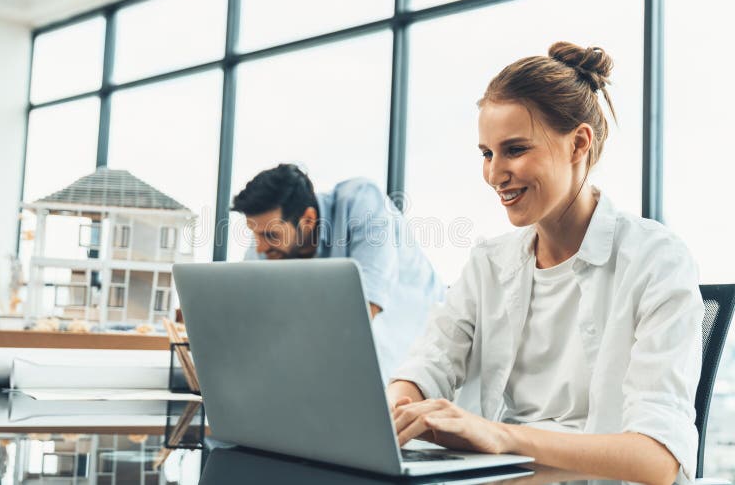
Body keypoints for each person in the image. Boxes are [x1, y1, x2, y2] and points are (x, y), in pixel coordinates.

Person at [386, 42, 703, 485]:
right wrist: (396, 407)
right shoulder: (489, 263)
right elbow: (429, 363)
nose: (494, 174)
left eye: (515, 149)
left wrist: (502, 437)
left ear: (578, 144)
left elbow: (657, 460)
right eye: (487, 153)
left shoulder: (656, 260)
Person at [231, 164, 445, 381]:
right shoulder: (269, 244)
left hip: (425, 344)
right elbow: (254, 314)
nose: (260, 247)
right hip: (366, 355)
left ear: (308, 220)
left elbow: (363, 311)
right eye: (255, 234)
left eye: (271, 235)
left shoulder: (362, 202)